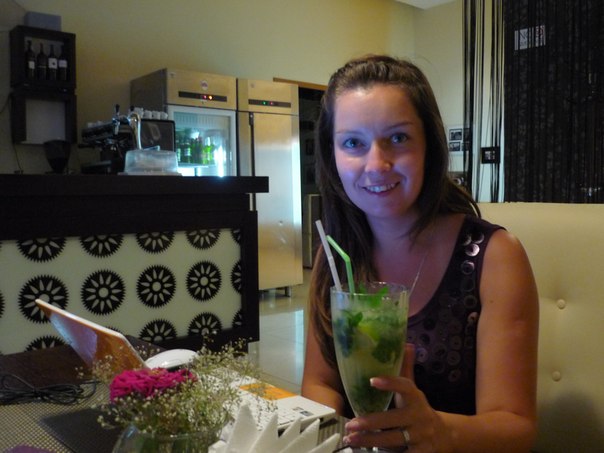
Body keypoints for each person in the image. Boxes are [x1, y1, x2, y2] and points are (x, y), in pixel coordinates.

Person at [301, 55, 539, 452]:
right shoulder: (337, 258)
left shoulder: (494, 257)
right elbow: (319, 383)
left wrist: (438, 430)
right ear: (333, 155)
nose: (377, 165)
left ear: (429, 144)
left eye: (398, 138)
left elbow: (516, 429)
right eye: (353, 143)